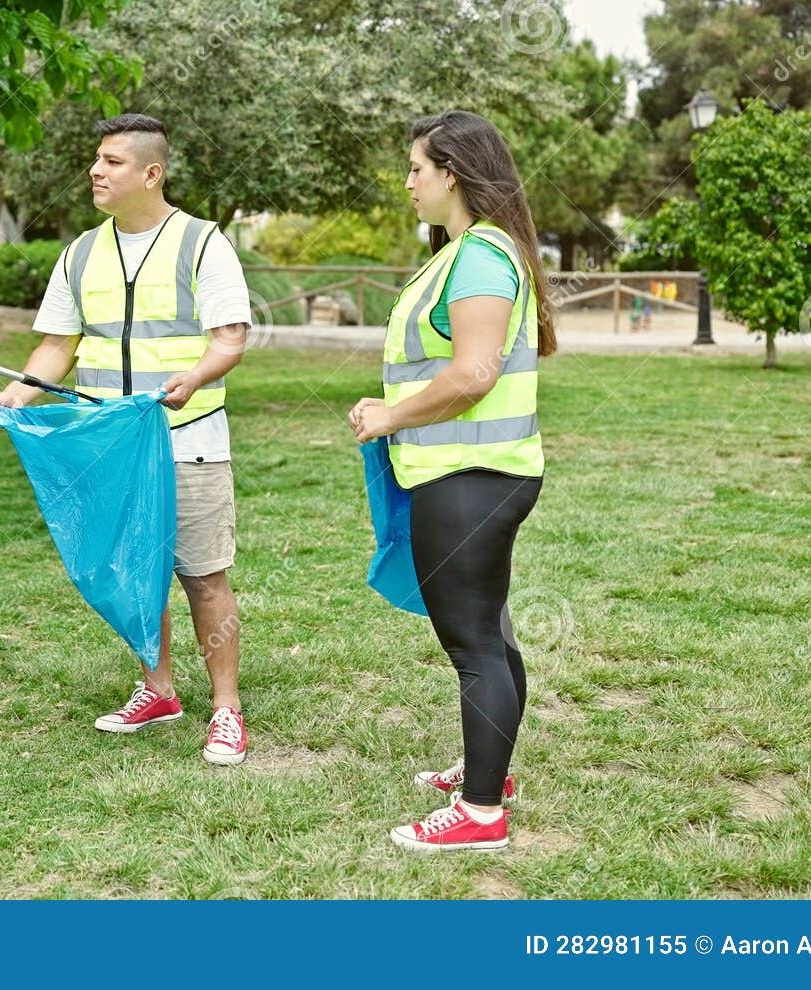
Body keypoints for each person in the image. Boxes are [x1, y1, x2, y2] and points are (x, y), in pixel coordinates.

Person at [0, 113, 252, 766]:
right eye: (96, 160)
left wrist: (194, 375)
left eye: (110, 161)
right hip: (111, 445)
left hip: (187, 437)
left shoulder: (202, 243)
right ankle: (158, 689)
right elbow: (58, 346)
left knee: (203, 576)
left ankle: (226, 709)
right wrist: (21, 390)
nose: (95, 171)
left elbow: (231, 337)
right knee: (138, 571)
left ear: (151, 173)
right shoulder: (80, 253)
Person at [349, 110, 555, 852]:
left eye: (415, 169)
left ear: (453, 175)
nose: (407, 183)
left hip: (469, 476)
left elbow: (473, 373)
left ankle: (479, 816)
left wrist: (389, 414)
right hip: (473, 472)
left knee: (473, 646)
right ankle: (488, 777)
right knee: (490, 636)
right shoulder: (467, 251)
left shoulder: (478, 256)